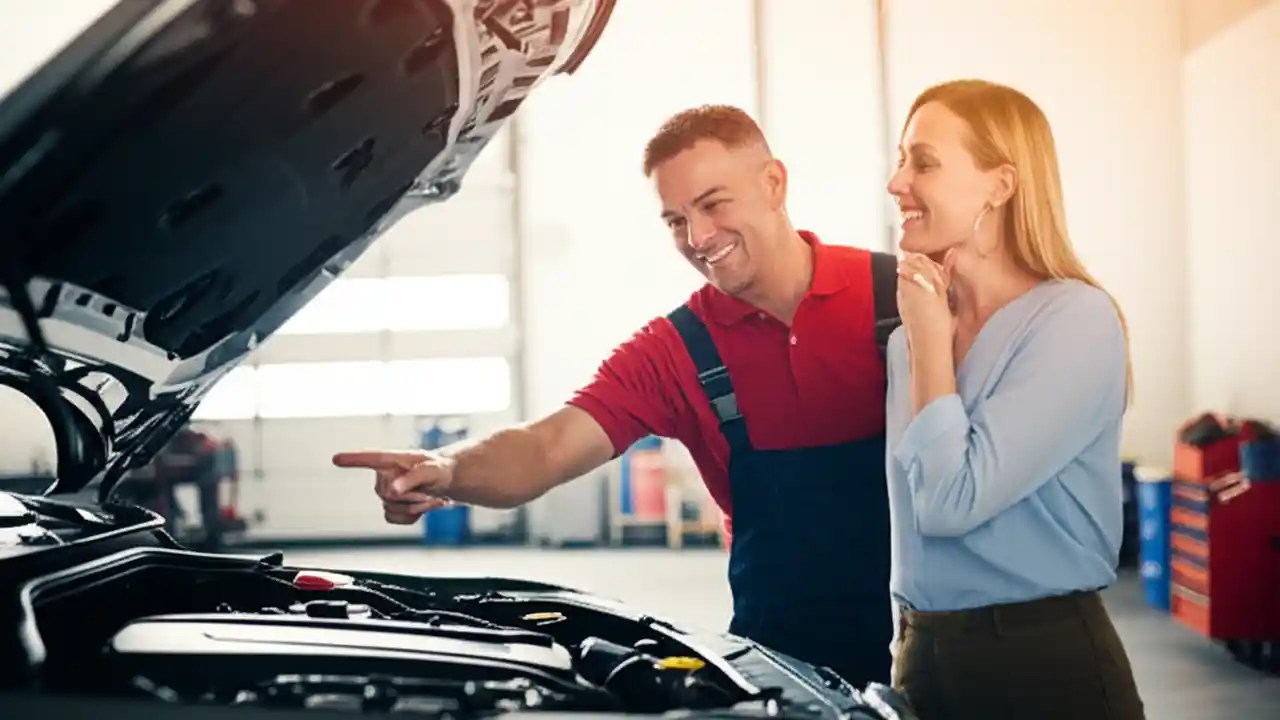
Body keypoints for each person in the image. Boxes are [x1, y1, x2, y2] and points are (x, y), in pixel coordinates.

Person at [333, 104, 898, 688]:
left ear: (773, 183)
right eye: (675, 220)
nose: (698, 238)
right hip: (782, 664)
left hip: (925, 647)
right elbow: (547, 447)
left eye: (713, 203)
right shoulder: (678, 349)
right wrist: (448, 469)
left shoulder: (899, 296)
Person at [884, 78, 1146, 718]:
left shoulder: (1075, 321)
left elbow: (949, 503)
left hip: (1042, 665)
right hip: (921, 656)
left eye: (923, 161)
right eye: (899, 159)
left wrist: (928, 342)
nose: (896, 183)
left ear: (1000, 185)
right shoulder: (909, 339)